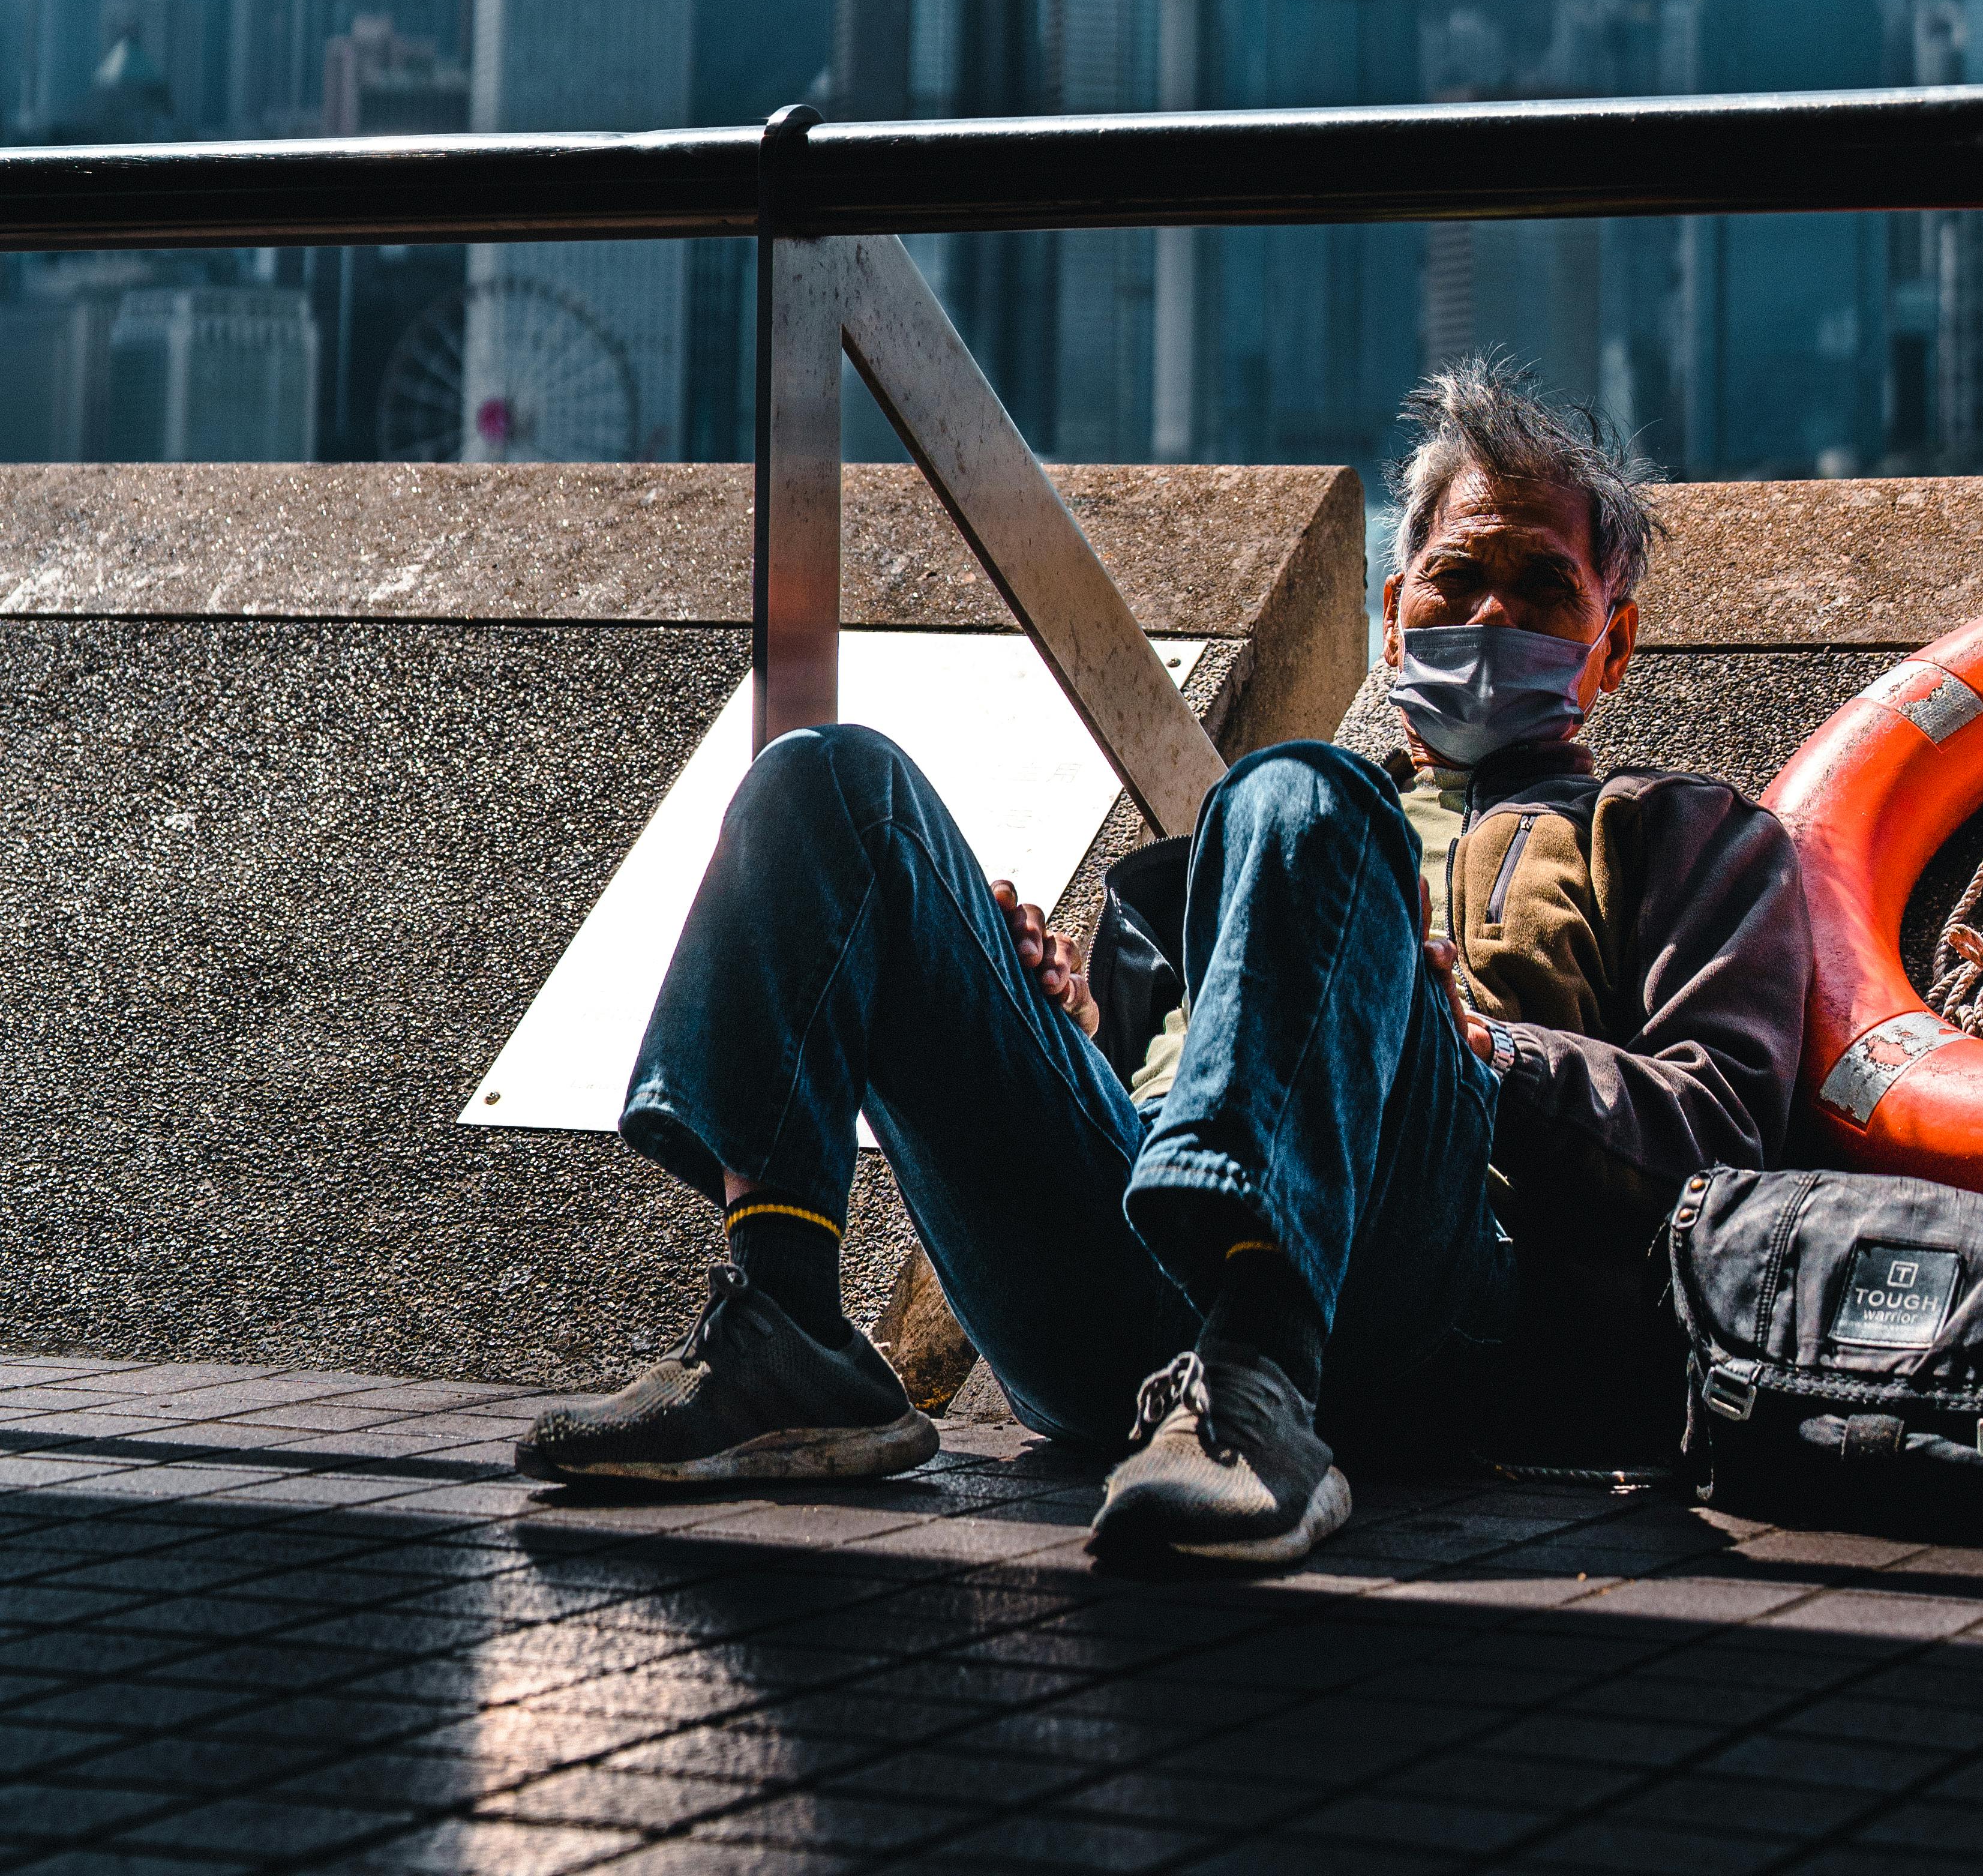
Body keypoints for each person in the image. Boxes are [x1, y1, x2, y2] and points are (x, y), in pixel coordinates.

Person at [515, 360, 1814, 1566]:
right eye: (1457, 578)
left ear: (1613, 640)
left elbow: (1721, 1134)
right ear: (1392, 606)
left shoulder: (1679, 833)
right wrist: (1061, 1023)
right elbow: (1142, 1093)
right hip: (1117, 1290)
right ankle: (784, 1325)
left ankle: (1256, 1380)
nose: (1487, 613)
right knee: (826, 782)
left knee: (1298, 797)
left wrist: (1489, 1051)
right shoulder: (1267, 838)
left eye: (1538, 589)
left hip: (1412, 1297)